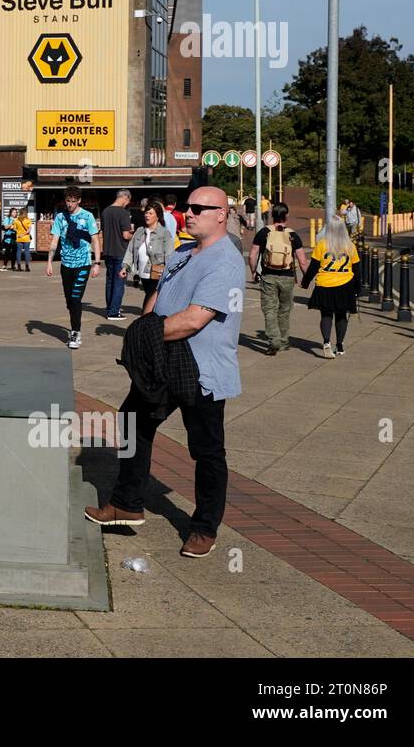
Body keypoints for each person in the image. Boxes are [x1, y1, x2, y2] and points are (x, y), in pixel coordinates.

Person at [86, 185, 246, 558]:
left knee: (206, 450)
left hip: (201, 370)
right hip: (163, 363)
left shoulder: (225, 261)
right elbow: (157, 296)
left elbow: (194, 320)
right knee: (132, 422)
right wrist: (145, 327)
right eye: (187, 207)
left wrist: (145, 336)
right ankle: (126, 503)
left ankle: (204, 527)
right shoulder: (182, 252)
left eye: (198, 208)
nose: (188, 213)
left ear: (221, 214)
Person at [249, 202, 308, 356]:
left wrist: (254, 271)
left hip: (268, 276)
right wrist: (306, 279)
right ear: (286, 216)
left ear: (272, 215)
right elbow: (302, 260)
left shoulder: (264, 232)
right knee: (284, 310)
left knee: (269, 309)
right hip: (287, 277)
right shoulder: (293, 235)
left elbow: (253, 254)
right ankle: (283, 340)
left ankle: (273, 340)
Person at [46, 187, 102, 349]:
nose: (70, 204)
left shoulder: (87, 216)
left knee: (76, 298)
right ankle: (74, 321)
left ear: (79, 201)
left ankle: (76, 333)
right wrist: (49, 261)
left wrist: (96, 263)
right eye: (67, 201)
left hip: (83, 264)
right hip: (66, 264)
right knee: (69, 300)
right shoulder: (60, 218)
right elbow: (54, 240)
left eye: (73, 201)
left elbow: (95, 240)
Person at [302, 214, 359, 359]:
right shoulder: (350, 246)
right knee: (341, 315)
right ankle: (339, 345)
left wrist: (305, 282)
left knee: (326, 314)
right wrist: (358, 289)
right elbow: (357, 270)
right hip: (345, 284)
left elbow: (313, 267)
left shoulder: (322, 244)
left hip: (324, 284)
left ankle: (326, 342)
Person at [120, 200, 172, 309]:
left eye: (150, 213)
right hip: (142, 272)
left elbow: (169, 254)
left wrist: (169, 271)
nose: (147, 216)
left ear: (158, 216)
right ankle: (151, 318)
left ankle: (145, 319)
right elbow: (130, 250)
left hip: (158, 272)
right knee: (150, 297)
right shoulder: (139, 231)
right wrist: (125, 267)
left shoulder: (164, 233)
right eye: (146, 213)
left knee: (149, 298)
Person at [100, 189, 134, 319]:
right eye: (128, 201)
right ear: (125, 197)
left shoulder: (105, 211)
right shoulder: (123, 213)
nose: (127, 203)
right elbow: (126, 235)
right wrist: (135, 234)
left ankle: (110, 308)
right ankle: (114, 311)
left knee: (109, 281)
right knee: (119, 283)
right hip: (121, 251)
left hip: (108, 250)